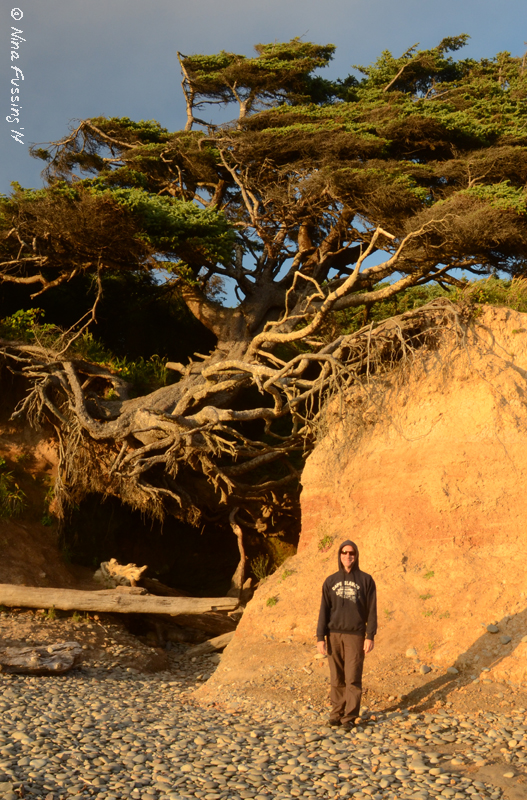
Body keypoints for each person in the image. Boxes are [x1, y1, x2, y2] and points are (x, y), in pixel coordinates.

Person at [316, 539, 377, 728]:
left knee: (353, 678)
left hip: (355, 636)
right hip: (333, 635)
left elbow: (372, 610)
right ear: (339, 555)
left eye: (351, 553)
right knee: (336, 678)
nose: (348, 556)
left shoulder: (366, 580)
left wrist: (370, 636)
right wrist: (320, 637)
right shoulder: (330, 581)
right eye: (344, 552)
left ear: (356, 555)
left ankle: (349, 718)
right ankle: (336, 714)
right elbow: (324, 610)